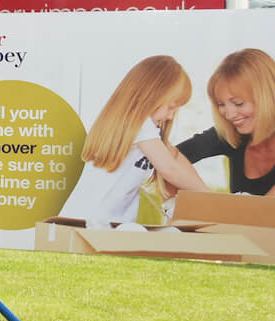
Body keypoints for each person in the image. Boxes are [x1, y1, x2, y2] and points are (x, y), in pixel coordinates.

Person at [59, 55, 206, 227]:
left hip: (105, 223)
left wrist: (206, 193)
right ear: (151, 95)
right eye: (171, 107)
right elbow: (171, 168)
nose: (171, 115)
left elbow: (174, 157)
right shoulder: (141, 125)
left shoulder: (145, 132)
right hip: (88, 222)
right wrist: (209, 197)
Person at [174, 48, 275, 196]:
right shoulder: (231, 135)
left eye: (239, 103)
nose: (229, 114)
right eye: (221, 104)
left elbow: (265, 211)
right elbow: (168, 159)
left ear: (267, 96)